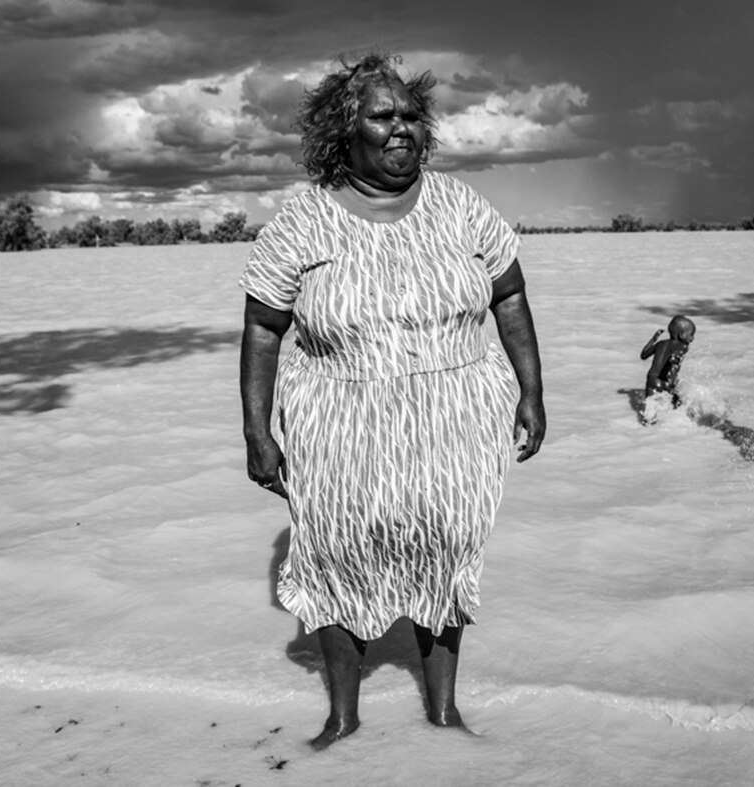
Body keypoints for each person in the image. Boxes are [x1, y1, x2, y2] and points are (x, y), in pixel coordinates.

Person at [238, 53, 545, 751]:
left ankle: (442, 714)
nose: (402, 128)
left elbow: (509, 293)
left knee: (444, 547)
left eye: (411, 115)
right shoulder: (302, 222)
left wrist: (531, 390)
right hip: (336, 416)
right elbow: (262, 327)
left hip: (455, 411)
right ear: (343, 132)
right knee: (338, 550)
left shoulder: (460, 205)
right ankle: (342, 717)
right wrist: (257, 431)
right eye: (383, 116)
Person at [639, 315, 695, 420]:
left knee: (649, 414)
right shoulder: (683, 346)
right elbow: (674, 361)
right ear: (681, 335)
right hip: (666, 381)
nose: (693, 338)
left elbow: (643, 355)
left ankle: (646, 430)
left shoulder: (660, 343)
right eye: (691, 335)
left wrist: (654, 339)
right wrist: (672, 381)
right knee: (678, 405)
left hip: (652, 380)